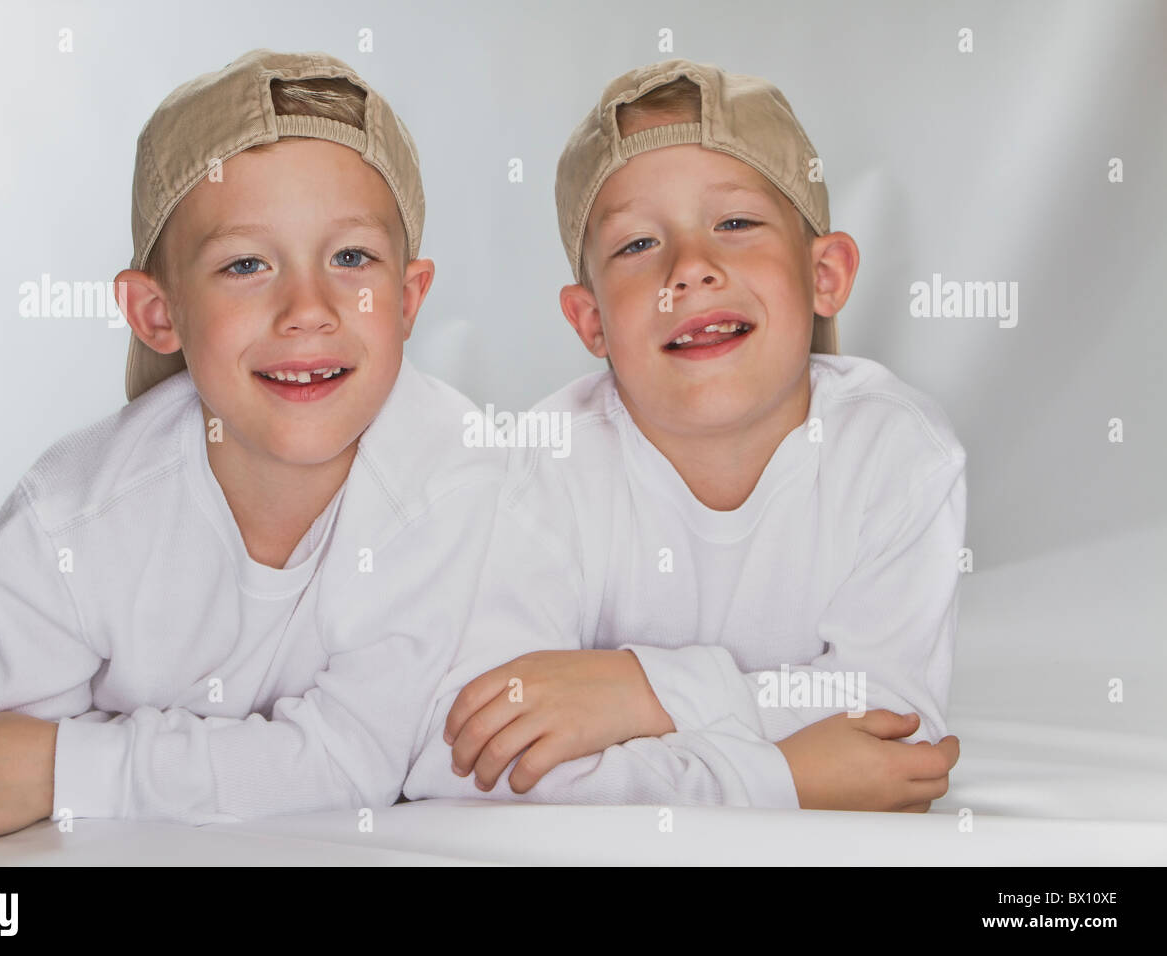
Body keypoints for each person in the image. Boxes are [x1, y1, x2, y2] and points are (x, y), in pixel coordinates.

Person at [0, 49, 503, 837]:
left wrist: (74, 767)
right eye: (246, 264)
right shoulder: (71, 523)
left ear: (410, 297)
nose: (307, 308)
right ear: (158, 314)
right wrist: (51, 771)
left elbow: (357, 762)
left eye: (351, 257)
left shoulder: (452, 480)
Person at [405, 59, 965, 812]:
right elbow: (477, 758)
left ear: (825, 273)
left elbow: (893, 735)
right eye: (638, 245)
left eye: (735, 224)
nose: (691, 269)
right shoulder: (539, 472)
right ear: (591, 321)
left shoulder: (899, 456)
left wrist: (638, 694)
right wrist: (780, 778)